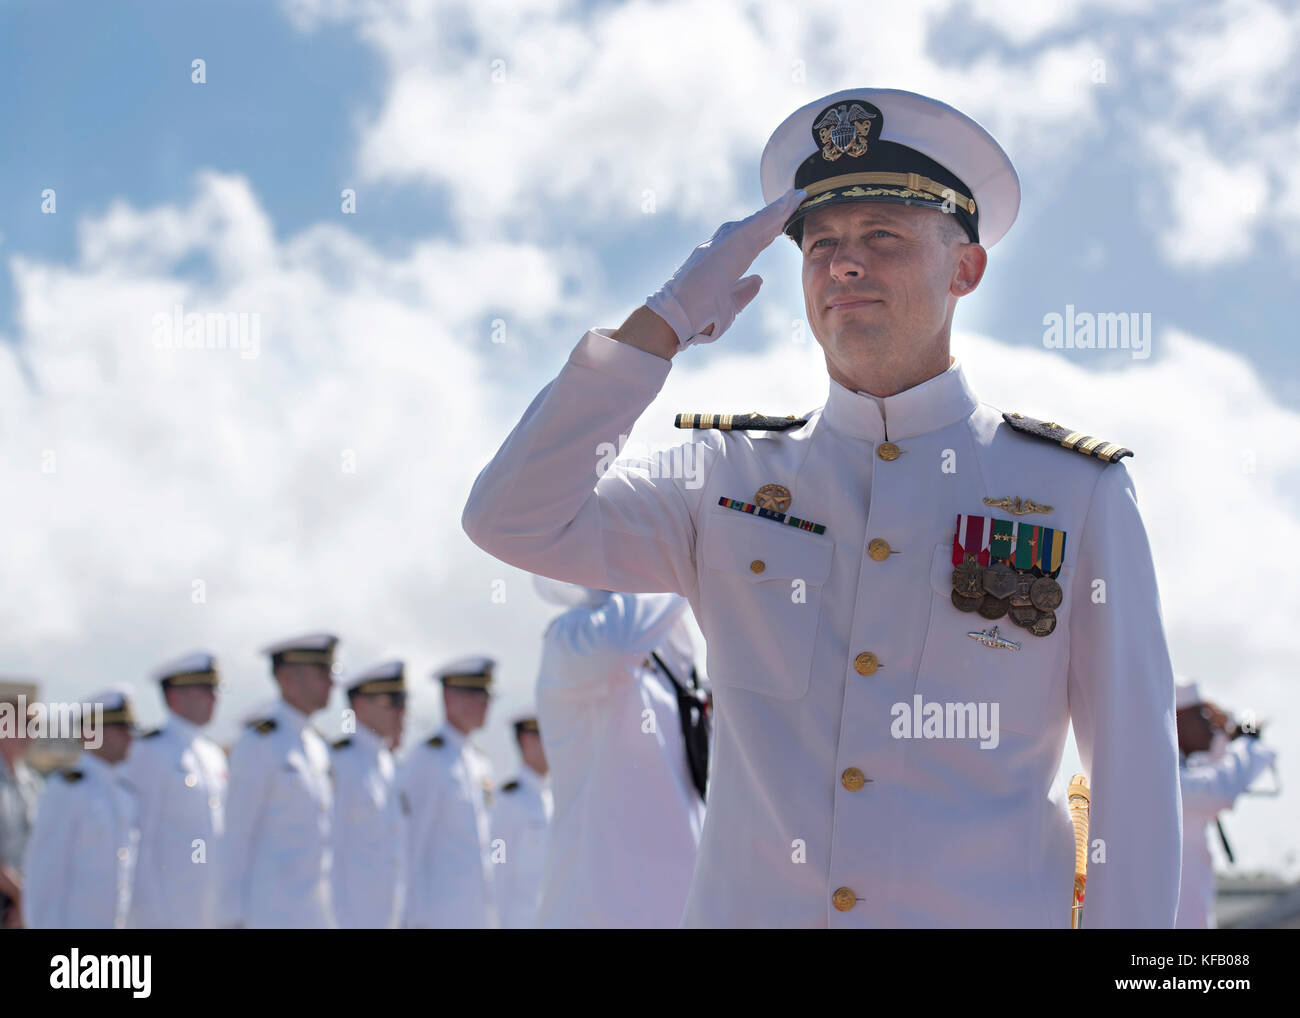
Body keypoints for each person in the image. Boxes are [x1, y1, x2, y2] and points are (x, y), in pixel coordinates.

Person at [463, 87, 1181, 927]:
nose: (845, 263)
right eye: (823, 243)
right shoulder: (723, 474)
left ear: (966, 268)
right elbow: (511, 518)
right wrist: (661, 324)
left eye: (883, 236)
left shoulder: (1075, 492)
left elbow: (1131, 782)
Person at [530, 579, 706, 928]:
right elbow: (616, 645)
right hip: (598, 913)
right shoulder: (570, 637)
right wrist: (678, 572)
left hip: (675, 909)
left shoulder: (668, 655)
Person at [218, 632, 338, 929]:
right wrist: (230, 918)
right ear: (287, 677)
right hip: (268, 914)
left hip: (312, 915)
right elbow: (236, 835)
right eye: (321, 672)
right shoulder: (258, 742)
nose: (331, 682)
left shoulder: (317, 746)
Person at [125, 652, 227, 928]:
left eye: (215, 690)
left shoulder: (213, 754)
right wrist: (148, 918)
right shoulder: (149, 752)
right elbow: (140, 841)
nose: (214, 698)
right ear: (174, 697)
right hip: (167, 912)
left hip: (209, 910)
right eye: (204, 690)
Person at [23, 688, 138, 929]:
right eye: (120, 728)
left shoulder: (126, 791)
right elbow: (44, 876)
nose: (130, 737)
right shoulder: (67, 789)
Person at [402, 656, 497, 928]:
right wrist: (414, 919)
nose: (484, 704)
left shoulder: (481, 763)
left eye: (487, 696)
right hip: (436, 916)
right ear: (448, 698)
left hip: (474, 915)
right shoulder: (427, 760)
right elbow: (412, 845)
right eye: (475, 694)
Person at [1174, 680, 1277, 929]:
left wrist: (1235, 726)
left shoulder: (1181, 769)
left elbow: (1221, 758)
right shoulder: (1166, 780)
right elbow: (1224, 786)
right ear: (1176, 722)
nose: (1210, 722)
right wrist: (1248, 735)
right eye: (1201, 714)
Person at [330, 659, 409, 929]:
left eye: (403, 702)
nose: (401, 712)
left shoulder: (391, 765)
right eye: (392, 701)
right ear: (360, 705)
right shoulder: (339, 763)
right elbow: (328, 852)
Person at [490, 713, 553, 929]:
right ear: (527, 740)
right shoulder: (509, 802)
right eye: (548, 736)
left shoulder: (553, 799)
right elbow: (498, 873)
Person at [0, 681, 42, 929]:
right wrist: (20, 896)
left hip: (22, 904)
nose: (31, 734)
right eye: (24, 725)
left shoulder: (34, 784)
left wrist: (27, 899)